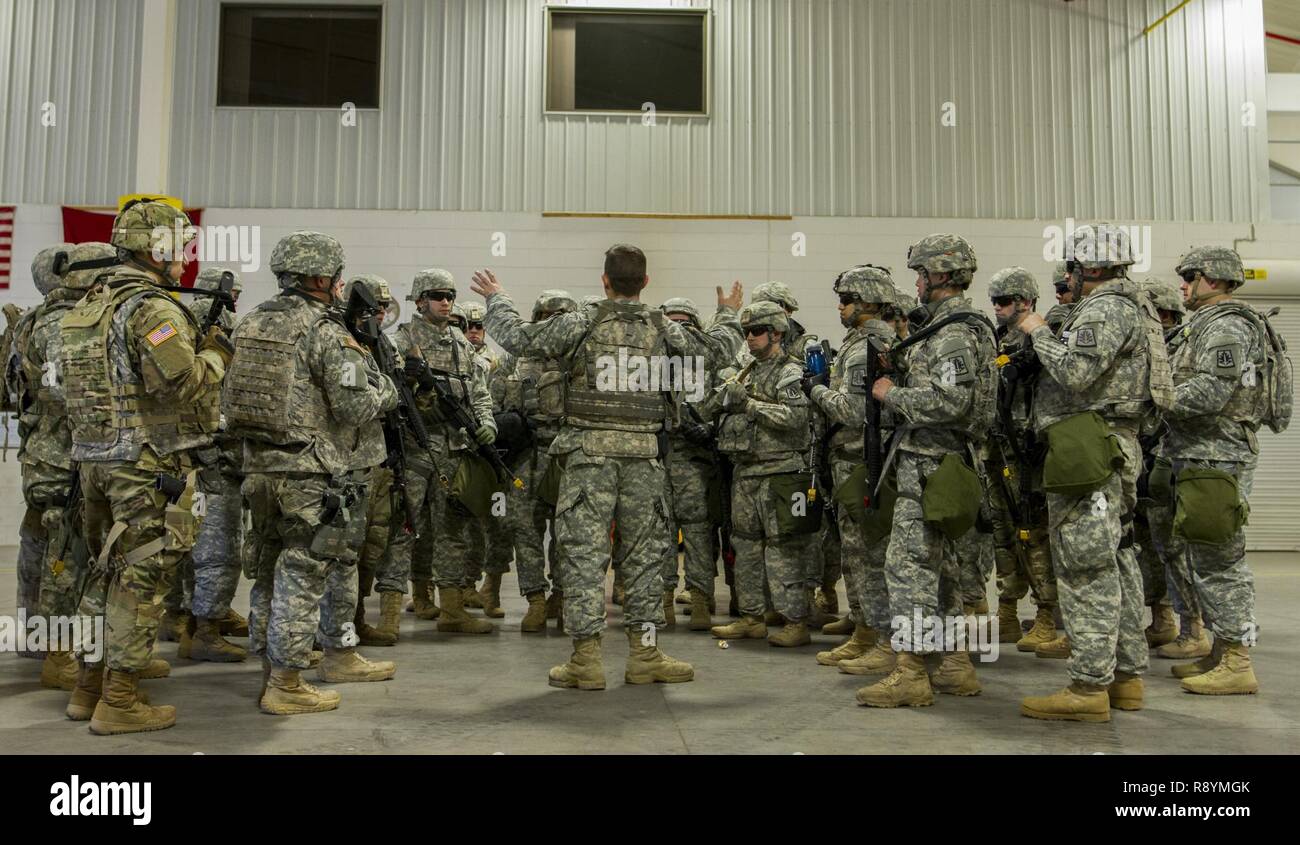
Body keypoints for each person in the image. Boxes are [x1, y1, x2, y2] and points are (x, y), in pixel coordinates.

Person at [472, 246, 742, 689]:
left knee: (582, 555)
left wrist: (497, 297)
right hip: (644, 459)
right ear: (646, 283)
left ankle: (586, 660)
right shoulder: (663, 327)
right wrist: (728, 312)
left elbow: (519, 337)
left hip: (587, 457)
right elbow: (716, 350)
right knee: (643, 557)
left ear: (604, 280)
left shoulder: (582, 321)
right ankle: (644, 654)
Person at [60, 200, 230, 734]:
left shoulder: (91, 302)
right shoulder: (153, 309)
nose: (186, 258)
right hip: (146, 463)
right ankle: (120, 700)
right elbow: (183, 382)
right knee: (145, 574)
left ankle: (87, 687)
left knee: (104, 570)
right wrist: (218, 351)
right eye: (180, 247)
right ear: (156, 249)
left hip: (95, 460)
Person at [226, 231, 398, 714]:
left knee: (267, 573)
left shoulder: (251, 322)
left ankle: (269, 670)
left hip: (259, 469)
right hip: (309, 474)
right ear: (322, 278)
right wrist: (387, 389)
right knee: (303, 574)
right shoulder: (325, 330)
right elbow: (354, 404)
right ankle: (287, 683)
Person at [1017, 223, 1173, 722]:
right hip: (1111, 446)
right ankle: (1125, 678)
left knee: (1085, 567)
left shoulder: (1107, 307)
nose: (1069, 275)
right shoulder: (1136, 307)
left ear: (1093, 268)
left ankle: (1088, 688)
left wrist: (1038, 330)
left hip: (1089, 446)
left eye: (1073, 267)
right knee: (1117, 560)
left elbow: (1076, 372)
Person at [859, 234, 997, 708]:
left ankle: (911, 671)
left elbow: (951, 401)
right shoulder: (948, 328)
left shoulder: (955, 332)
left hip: (932, 465)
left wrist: (888, 395)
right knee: (945, 572)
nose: (915, 283)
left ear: (940, 275)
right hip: (943, 465)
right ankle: (956, 664)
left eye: (920, 273)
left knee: (909, 566)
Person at [1161, 247, 1289, 694]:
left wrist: (1155, 395)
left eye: (1189, 276)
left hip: (1218, 455)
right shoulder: (1209, 324)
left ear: (1211, 279)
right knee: (1204, 555)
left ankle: (1237, 660)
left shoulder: (1229, 326)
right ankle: (1221, 650)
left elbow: (1211, 392)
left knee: (1221, 560)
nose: (1182, 284)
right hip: (1202, 454)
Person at [703, 301, 818, 647]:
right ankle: (752, 617)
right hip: (745, 471)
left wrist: (749, 403)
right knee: (746, 546)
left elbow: (795, 418)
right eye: (746, 332)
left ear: (776, 333)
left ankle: (794, 620)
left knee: (783, 549)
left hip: (779, 472)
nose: (750, 338)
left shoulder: (790, 371)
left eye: (756, 332)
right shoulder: (745, 370)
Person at [392, 269, 497, 634]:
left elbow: (478, 390)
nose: (446, 301)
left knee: (453, 529)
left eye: (450, 295)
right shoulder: (401, 340)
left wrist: (487, 422)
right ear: (420, 300)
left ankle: (452, 610)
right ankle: (397, 610)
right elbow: (392, 396)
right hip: (416, 448)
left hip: (455, 449)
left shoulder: (460, 342)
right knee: (405, 528)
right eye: (438, 295)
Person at [805, 265, 899, 671]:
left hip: (863, 460)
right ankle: (863, 632)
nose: (839, 307)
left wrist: (817, 388)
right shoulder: (859, 343)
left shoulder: (867, 348)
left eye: (846, 300)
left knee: (867, 555)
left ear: (867, 303)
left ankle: (880, 637)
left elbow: (854, 409)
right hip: (848, 461)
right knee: (854, 555)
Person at [15, 243, 88, 689]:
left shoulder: (29, 319)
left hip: (40, 451)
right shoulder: (63, 325)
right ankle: (57, 655)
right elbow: (66, 391)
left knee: (39, 544)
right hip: (62, 455)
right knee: (63, 555)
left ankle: (34, 637)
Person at [985, 268, 1060, 653]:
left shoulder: (1041, 338)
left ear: (1026, 302)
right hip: (996, 447)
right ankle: (1008, 611)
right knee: (1002, 531)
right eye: (994, 302)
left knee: (1035, 532)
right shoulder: (995, 340)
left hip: (1028, 448)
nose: (997, 309)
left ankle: (1047, 612)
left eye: (1004, 302)